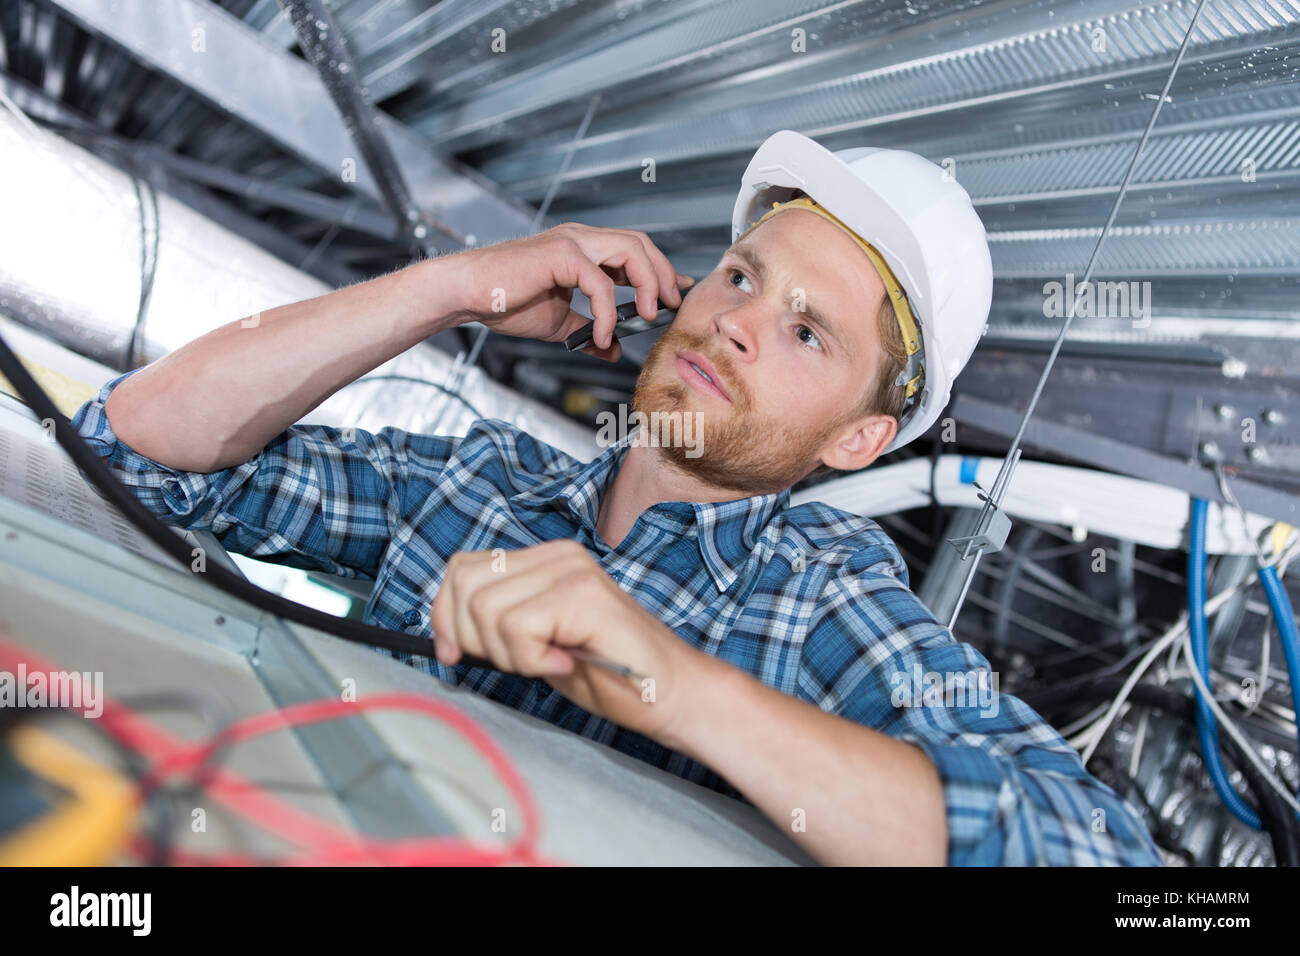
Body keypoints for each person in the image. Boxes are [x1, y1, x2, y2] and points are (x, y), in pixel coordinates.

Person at [70, 129, 1162, 866]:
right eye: (743, 274)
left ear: (860, 437)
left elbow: (1108, 858)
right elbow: (139, 448)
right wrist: (449, 287)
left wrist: (673, 686)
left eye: (805, 330)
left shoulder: (813, 600)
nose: (736, 317)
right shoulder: (476, 486)